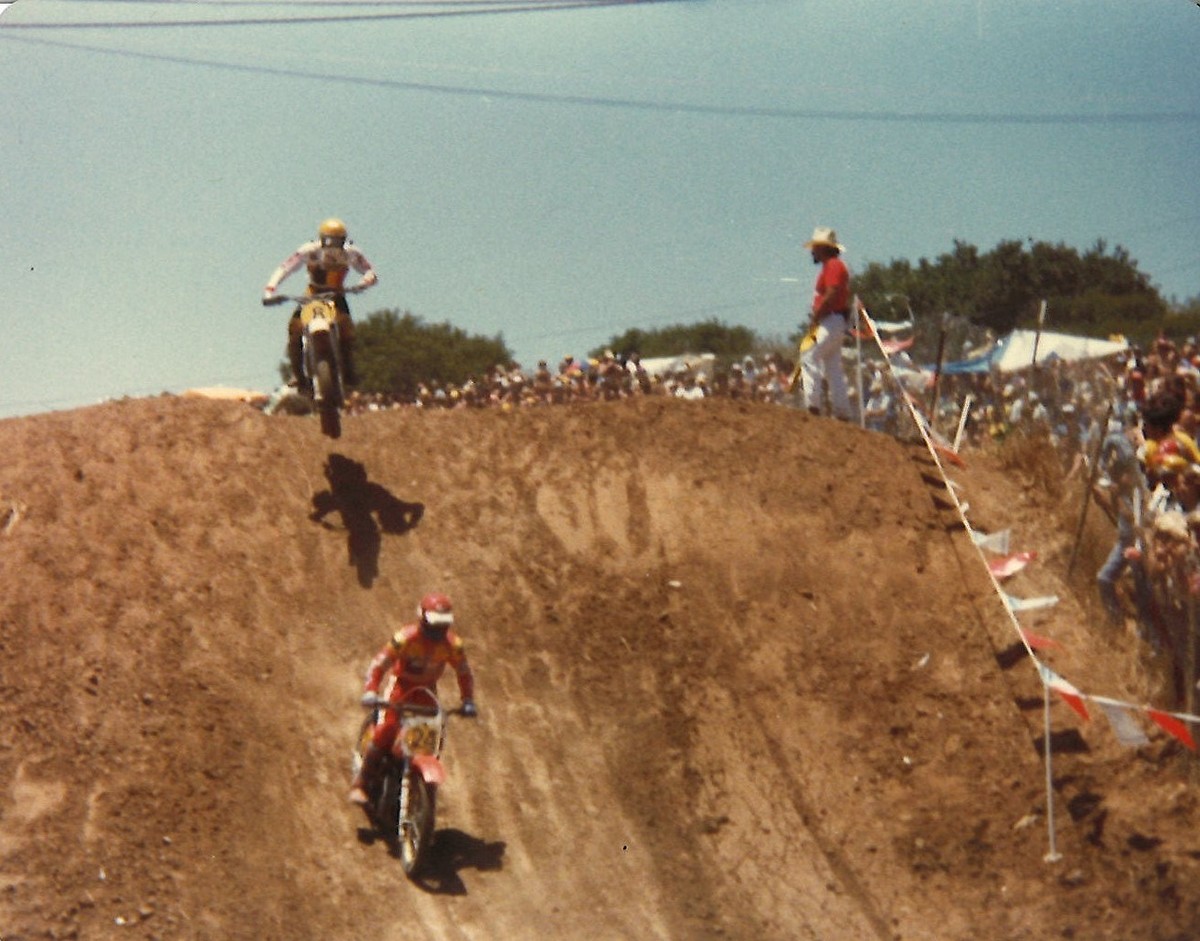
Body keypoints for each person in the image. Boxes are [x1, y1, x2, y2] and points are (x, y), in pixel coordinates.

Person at [348, 592, 477, 806]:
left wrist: (468, 700)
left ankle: (416, 784)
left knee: (428, 739)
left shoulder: (453, 645)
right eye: (435, 624)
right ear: (423, 617)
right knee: (386, 731)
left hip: (426, 690)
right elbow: (380, 663)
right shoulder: (405, 638)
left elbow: (464, 672)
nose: (438, 630)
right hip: (400, 687)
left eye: (442, 624)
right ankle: (361, 783)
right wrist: (371, 690)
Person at [262, 218, 378, 391]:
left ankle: (348, 370)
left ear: (344, 240)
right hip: (313, 295)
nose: (333, 245)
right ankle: (298, 374)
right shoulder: (309, 250)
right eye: (329, 240)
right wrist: (270, 290)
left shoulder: (351, 253)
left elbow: (369, 270)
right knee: (295, 328)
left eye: (337, 240)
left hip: (337, 295)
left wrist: (365, 282)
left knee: (346, 329)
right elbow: (286, 268)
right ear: (321, 238)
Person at [796, 226, 852, 420]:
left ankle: (813, 405)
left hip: (830, 318)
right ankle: (842, 410)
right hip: (835, 319)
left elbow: (832, 292)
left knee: (809, 354)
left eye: (815, 248)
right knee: (832, 364)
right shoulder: (832, 266)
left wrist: (816, 315)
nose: (812, 252)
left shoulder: (833, 266)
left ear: (823, 248)